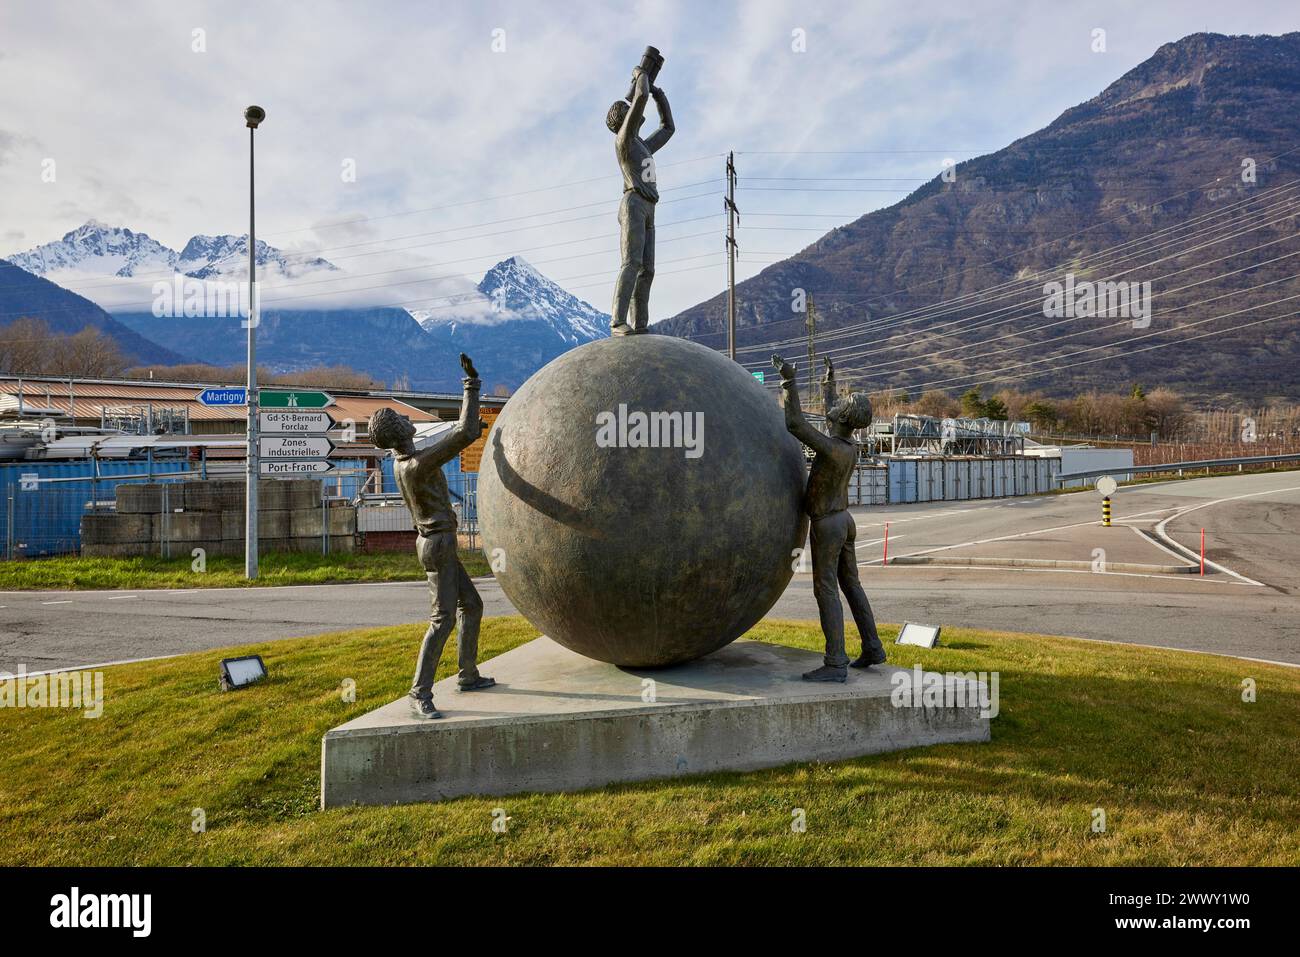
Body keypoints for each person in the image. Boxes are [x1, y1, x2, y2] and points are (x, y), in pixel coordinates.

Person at [368, 353, 495, 719]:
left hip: (437, 541)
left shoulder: (403, 461)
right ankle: (419, 692)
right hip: (437, 543)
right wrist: (471, 384)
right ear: (400, 432)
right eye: (403, 419)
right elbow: (467, 432)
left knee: (471, 606)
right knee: (443, 619)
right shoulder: (418, 464)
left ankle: (467, 674)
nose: (410, 420)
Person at [772, 353, 888, 682]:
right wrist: (828, 384)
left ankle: (836, 662)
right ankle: (873, 647)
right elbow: (831, 411)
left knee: (826, 589)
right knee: (851, 584)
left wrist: (789, 381)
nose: (832, 407)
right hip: (845, 520)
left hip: (827, 525)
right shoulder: (846, 445)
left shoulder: (832, 448)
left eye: (837, 405)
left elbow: (794, 424)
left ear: (842, 418)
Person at [606, 65, 674, 335]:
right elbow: (640, 97)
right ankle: (617, 321)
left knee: (647, 270)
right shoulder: (624, 140)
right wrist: (640, 72)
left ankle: (640, 323)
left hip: (649, 207)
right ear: (624, 118)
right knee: (631, 263)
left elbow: (668, 128)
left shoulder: (642, 145)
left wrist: (659, 94)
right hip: (633, 203)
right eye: (629, 108)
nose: (634, 109)